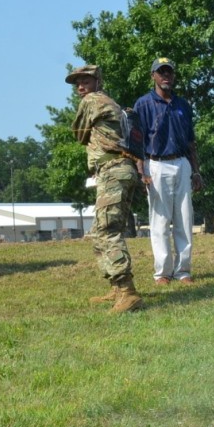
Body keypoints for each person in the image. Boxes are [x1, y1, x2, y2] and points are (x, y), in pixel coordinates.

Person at [68, 64, 142, 313]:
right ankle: (116, 287)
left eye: (86, 81)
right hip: (122, 169)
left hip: (112, 170)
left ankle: (127, 291)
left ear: (97, 82)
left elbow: (79, 133)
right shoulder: (111, 102)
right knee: (103, 230)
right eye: (77, 83)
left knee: (107, 231)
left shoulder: (92, 100)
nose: (81, 87)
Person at [133, 57, 203, 284]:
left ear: (173, 75)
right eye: (161, 72)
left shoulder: (183, 105)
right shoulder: (143, 104)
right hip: (156, 164)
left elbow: (191, 141)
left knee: (184, 218)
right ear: (153, 75)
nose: (166, 76)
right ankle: (163, 272)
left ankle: (183, 271)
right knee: (160, 220)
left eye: (169, 72)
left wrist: (196, 171)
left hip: (182, 163)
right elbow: (136, 141)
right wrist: (141, 171)